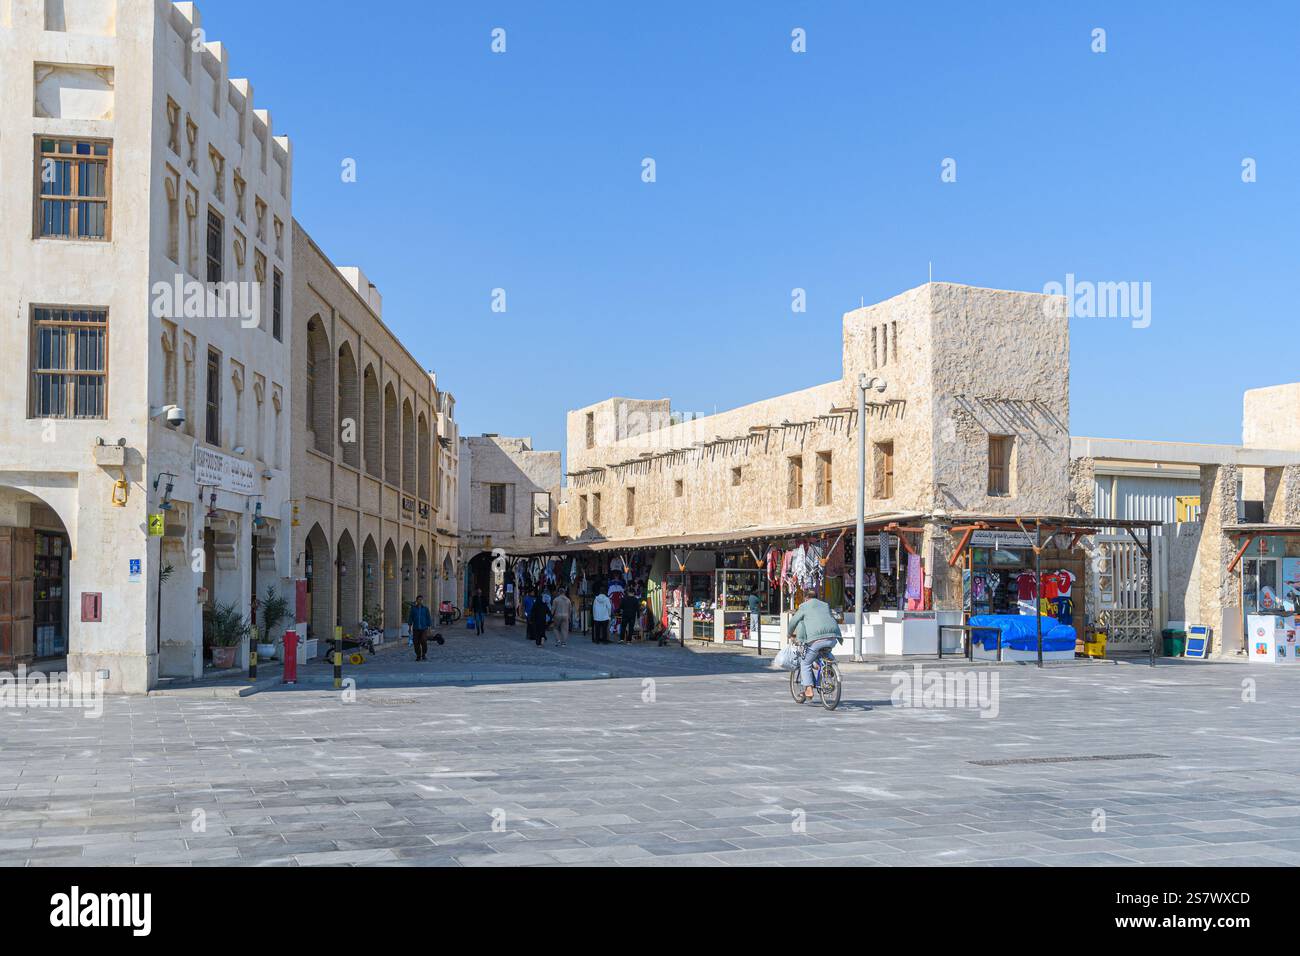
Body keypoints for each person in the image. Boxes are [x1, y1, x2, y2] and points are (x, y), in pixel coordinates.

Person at [787, 597, 842, 702]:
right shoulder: (825, 605)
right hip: (832, 637)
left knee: (805, 662)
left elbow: (794, 621)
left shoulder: (804, 606)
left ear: (806, 599)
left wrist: (789, 634)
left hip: (816, 640)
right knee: (824, 653)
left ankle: (808, 689)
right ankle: (830, 669)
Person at [408, 595, 433, 661]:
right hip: (416, 628)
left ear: (422, 601)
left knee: (423, 640)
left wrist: (429, 629)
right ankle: (418, 655)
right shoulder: (413, 609)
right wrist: (410, 627)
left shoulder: (425, 609)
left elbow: (428, 618)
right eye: (419, 599)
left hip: (424, 628)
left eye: (421, 600)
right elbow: (411, 618)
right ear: (416, 600)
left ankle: (424, 654)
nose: (420, 601)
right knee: (416, 642)